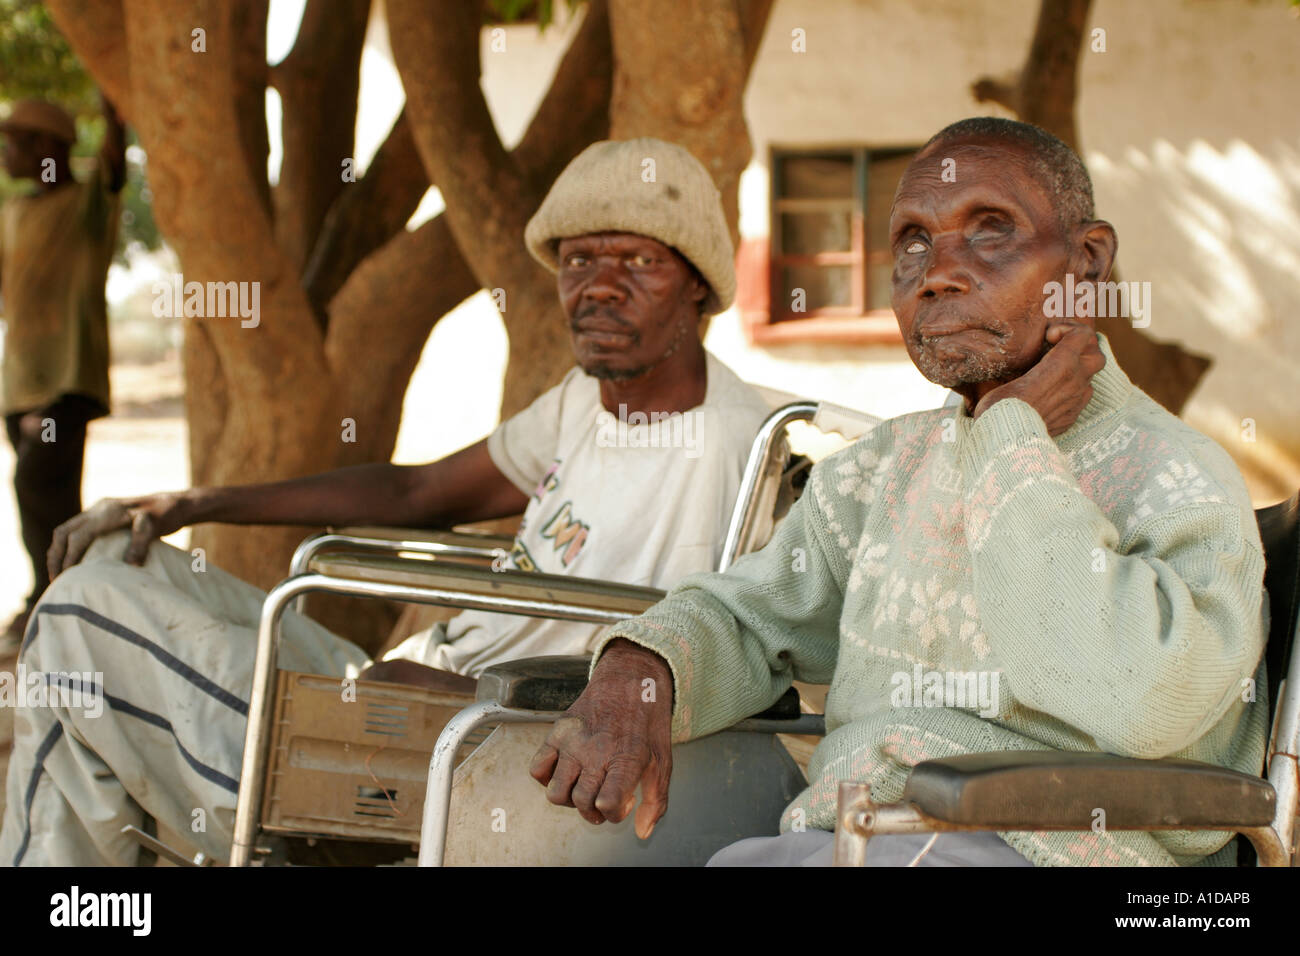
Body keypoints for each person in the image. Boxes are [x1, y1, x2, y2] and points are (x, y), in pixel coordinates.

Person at [0, 137, 772, 865]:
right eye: (579, 260)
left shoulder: (731, 447)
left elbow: (695, 656)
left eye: (639, 261)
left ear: (699, 281)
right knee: (111, 563)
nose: (600, 286)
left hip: (476, 733)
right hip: (405, 680)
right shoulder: (585, 400)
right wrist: (190, 503)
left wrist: (473, 691)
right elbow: (416, 488)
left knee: (77, 621)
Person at [530, 117, 1270, 868]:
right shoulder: (885, 465)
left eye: (989, 232)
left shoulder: (1178, 475)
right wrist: (642, 673)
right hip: (853, 836)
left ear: (1087, 261)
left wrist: (1011, 448)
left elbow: (1142, 702)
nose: (938, 272)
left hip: (1059, 851)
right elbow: (750, 616)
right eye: (913, 241)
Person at [0, 96, 126, 647]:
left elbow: (113, 167)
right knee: (49, 498)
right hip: (21, 382)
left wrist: (114, 113)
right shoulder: (12, 212)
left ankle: (48, 601)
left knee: (34, 483)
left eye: (19, 140)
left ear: (50, 148)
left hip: (68, 381)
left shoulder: (87, 206)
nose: (7, 151)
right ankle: (67, 604)